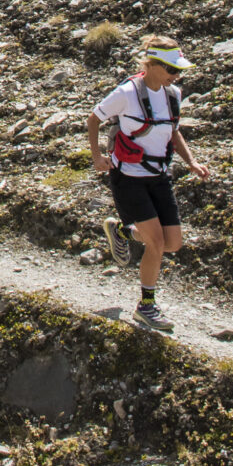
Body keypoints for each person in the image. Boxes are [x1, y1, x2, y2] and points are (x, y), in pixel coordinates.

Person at [86, 35, 211, 331]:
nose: (176, 76)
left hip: (158, 177)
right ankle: (147, 306)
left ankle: (122, 231)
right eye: (172, 69)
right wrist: (97, 157)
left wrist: (191, 161)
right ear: (153, 65)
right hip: (128, 178)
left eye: (178, 70)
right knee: (155, 242)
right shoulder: (127, 92)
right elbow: (93, 119)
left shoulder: (173, 95)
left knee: (173, 243)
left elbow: (173, 132)